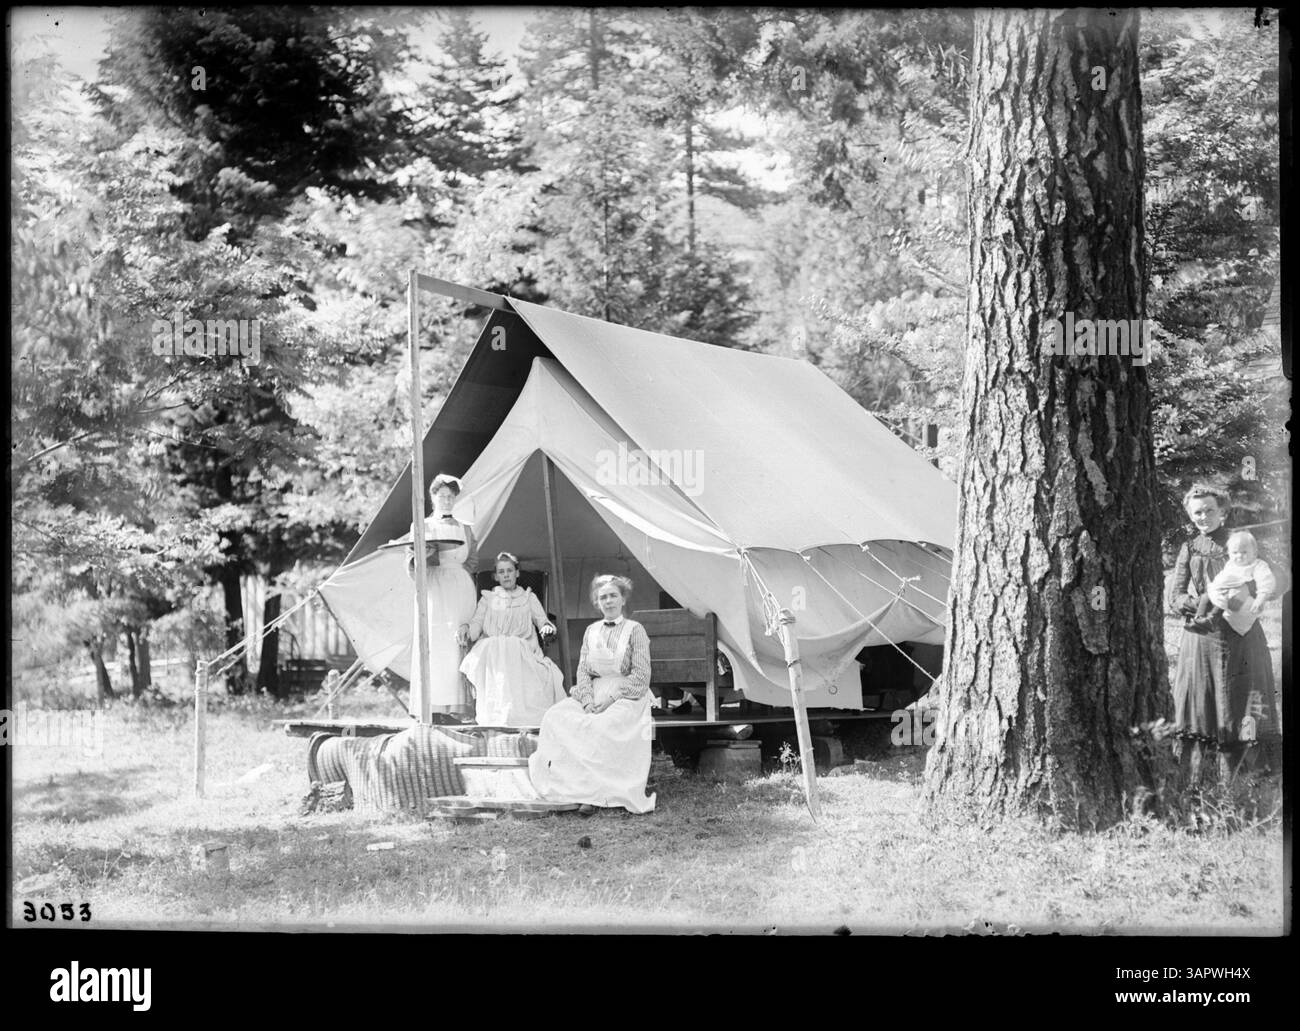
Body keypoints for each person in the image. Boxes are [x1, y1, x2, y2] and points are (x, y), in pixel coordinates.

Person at [1166, 485, 1283, 786]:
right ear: (1190, 516)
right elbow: (1175, 596)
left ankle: (1248, 776)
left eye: (1209, 510)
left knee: (1240, 700)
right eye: (1197, 513)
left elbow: (1278, 578)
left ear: (1223, 511)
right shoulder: (1189, 547)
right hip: (1202, 637)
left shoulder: (1242, 543)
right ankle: (1198, 778)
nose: (1203, 517)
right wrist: (1204, 602)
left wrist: (1242, 597)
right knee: (1201, 703)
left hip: (1241, 634)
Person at [528, 574, 656, 813]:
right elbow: (583, 671)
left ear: (623, 599)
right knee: (556, 716)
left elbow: (641, 676)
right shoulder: (591, 631)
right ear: (597, 603)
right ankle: (576, 788)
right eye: (603, 597)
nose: (608, 601)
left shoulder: (635, 630)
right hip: (594, 693)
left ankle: (602, 794)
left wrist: (610, 700)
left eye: (613, 596)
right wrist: (587, 701)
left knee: (605, 724)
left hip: (627, 695)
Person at [459, 552, 566, 726]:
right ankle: (498, 716)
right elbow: (476, 624)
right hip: (492, 652)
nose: (506, 575)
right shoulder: (489, 598)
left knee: (531, 666)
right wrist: (466, 629)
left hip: (522, 651)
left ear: (517, 573)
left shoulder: (528, 598)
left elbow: (542, 620)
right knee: (493, 654)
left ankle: (519, 717)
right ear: (496, 576)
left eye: (509, 570)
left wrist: (546, 627)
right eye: (501, 572)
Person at [406, 473, 477, 721]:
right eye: (442, 496)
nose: (446, 501)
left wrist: (459, 577)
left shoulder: (465, 527)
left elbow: (472, 560)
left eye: (450, 497)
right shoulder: (421, 526)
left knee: (458, 644)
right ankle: (433, 708)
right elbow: (412, 565)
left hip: (460, 591)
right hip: (434, 591)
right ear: (432, 497)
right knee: (435, 645)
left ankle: (456, 709)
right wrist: (423, 558)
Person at [1186, 530, 1277, 637]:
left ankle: (1212, 620)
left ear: (1255, 553)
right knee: (1206, 596)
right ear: (1229, 553)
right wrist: (1215, 588)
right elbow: (1222, 578)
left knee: (1228, 596)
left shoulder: (1258, 565)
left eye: (1244, 552)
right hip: (1225, 594)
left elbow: (1266, 581)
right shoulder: (1231, 564)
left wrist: (1261, 597)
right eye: (1235, 552)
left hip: (1241, 600)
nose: (1239, 556)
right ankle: (1199, 620)